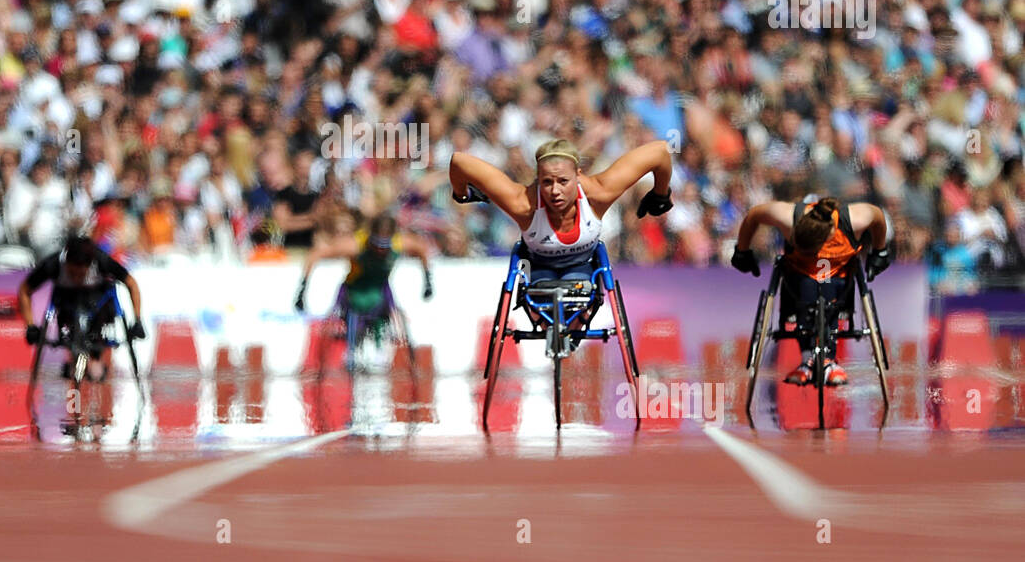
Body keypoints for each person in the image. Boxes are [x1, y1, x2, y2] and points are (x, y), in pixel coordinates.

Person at [447, 137, 674, 285]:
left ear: (578, 175)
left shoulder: (598, 193)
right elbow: (458, 161)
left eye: (563, 181)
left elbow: (661, 152)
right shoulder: (523, 204)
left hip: (583, 267)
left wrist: (661, 195)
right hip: (539, 268)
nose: (555, 191)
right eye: (547, 182)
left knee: (577, 283)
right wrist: (462, 194)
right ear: (537, 179)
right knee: (544, 289)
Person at [730, 197, 891, 386]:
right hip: (799, 279)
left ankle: (828, 360)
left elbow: (878, 217)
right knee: (809, 285)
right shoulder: (789, 217)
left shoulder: (853, 220)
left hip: (839, 281)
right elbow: (754, 215)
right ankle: (808, 359)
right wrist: (742, 251)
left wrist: (880, 251)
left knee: (826, 285)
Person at [294, 212, 432, 359]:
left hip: (380, 289)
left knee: (396, 320)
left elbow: (422, 249)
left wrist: (428, 281)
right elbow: (315, 254)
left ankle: (389, 355)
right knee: (345, 325)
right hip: (354, 291)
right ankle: (348, 354)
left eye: (385, 245)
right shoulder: (356, 244)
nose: (381, 250)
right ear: (370, 236)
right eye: (377, 244)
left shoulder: (400, 242)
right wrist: (302, 290)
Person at [17, 235, 144, 382]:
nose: (77, 278)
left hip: (97, 303)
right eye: (72, 273)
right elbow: (25, 290)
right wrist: (30, 325)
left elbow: (132, 284)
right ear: (67, 263)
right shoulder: (54, 264)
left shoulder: (101, 261)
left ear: (90, 265)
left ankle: (96, 357)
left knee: (96, 371)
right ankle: (72, 356)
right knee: (66, 314)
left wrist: (137, 319)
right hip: (67, 303)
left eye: (81, 274)